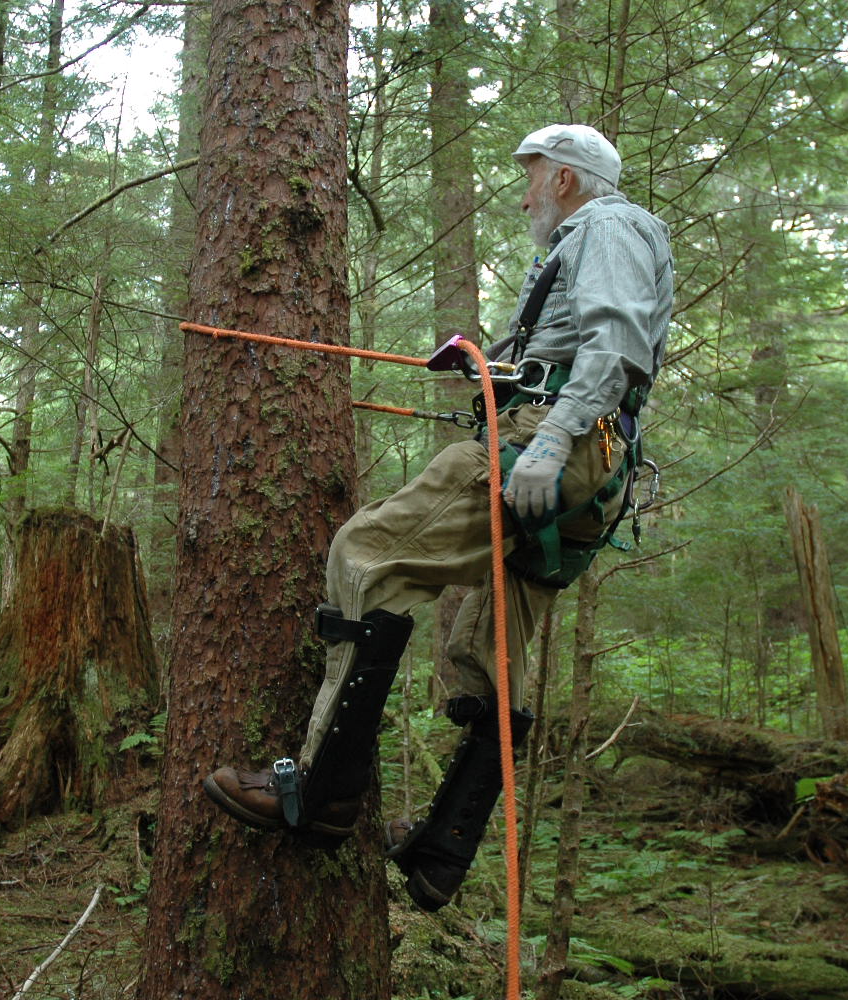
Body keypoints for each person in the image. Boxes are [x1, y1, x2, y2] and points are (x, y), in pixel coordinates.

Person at [204, 123, 674, 910]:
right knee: (483, 642)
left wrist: (552, 436)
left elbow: (617, 343)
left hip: (558, 443)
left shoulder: (607, 223)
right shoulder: (598, 236)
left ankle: (316, 795)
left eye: (533, 178)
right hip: (586, 454)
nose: (525, 194)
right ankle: (442, 853)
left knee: (366, 555)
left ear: (564, 179)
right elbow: (579, 346)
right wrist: (493, 369)